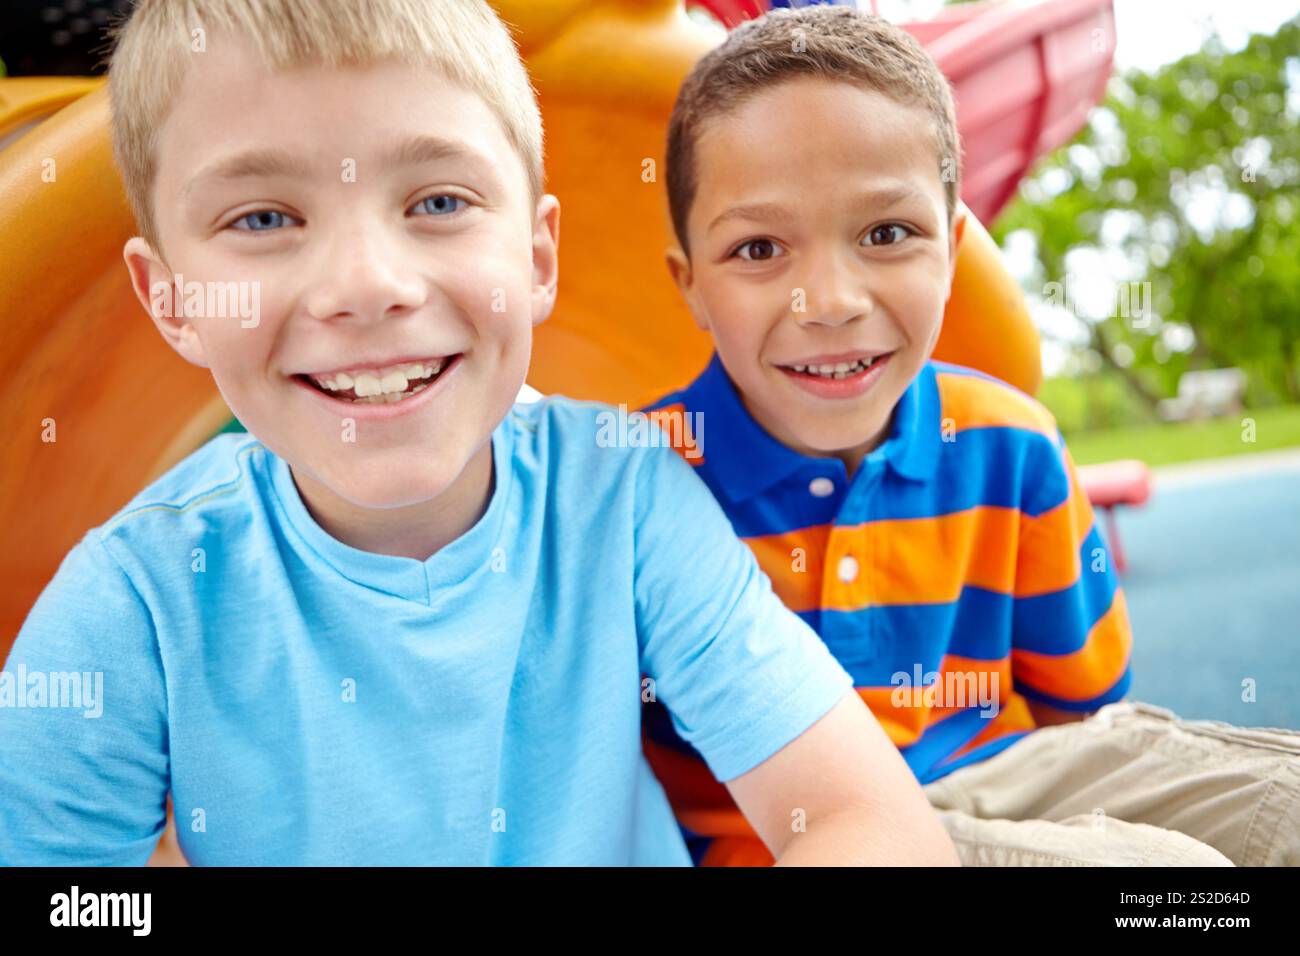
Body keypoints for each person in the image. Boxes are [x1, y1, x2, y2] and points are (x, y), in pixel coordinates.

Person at [0, 0, 960, 867]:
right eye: (262, 218)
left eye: (438, 203)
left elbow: (865, 819)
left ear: (538, 257)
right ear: (170, 298)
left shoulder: (620, 496)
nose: (368, 284)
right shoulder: (133, 600)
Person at [641, 4, 1299, 867]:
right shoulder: (639, 483)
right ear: (689, 284)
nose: (830, 301)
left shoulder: (1014, 446)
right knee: (1173, 879)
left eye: (887, 233)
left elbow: (1085, 713)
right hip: (796, 834)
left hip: (1014, 772)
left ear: (953, 253)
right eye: (760, 248)